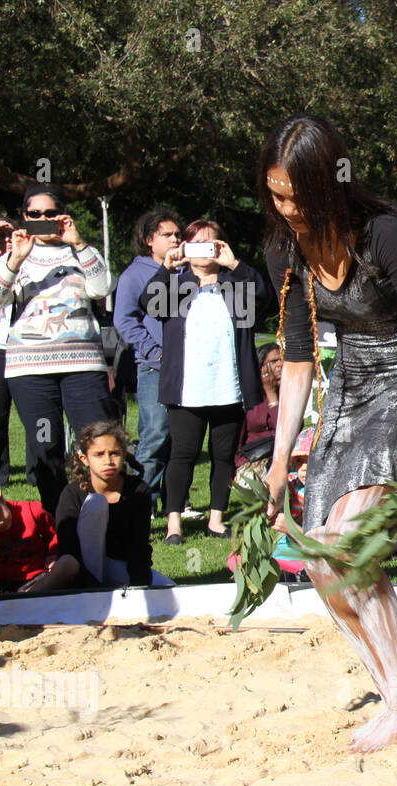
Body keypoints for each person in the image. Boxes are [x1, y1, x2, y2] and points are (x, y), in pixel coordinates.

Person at [259, 114, 397, 752]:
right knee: (321, 558)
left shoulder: (386, 235)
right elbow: (295, 356)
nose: (282, 208)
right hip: (349, 391)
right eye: (274, 193)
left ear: (325, 187)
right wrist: (279, 457)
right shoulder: (285, 248)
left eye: (293, 196)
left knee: (346, 543)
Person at [139, 219, 270, 545]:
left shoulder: (234, 284)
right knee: (182, 454)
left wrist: (236, 265)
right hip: (187, 388)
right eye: (194, 243)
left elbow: (265, 300)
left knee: (223, 455)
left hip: (227, 384)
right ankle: (173, 524)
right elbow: (149, 304)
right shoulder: (179, 285)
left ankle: (216, 519)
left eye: (209, 243)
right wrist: (168, 269)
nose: (201, 251)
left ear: (221, 247)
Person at [0, 185, 116, 512]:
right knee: (46, 449)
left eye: (50, 213)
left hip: (83, 366)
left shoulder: (79, 250)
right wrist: (15, 259)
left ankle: (104, 518)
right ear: (24, 217)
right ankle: (61, 524)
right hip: (30, 371)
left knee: (98, 444)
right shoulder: (13, 257)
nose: (43, 219)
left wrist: (78, 242)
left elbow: (103, 287)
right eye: (35, 214)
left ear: (62, 215)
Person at [114, 206, 184, 513]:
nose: (174, 240)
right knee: (154, 435)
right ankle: (142, 503)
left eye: (178, 234)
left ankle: (175, 503)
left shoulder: (188, 270)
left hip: (188, 367)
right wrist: (153, 351)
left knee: (181, 439)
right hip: (154, 368)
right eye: (166, 234)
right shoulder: (134, 274)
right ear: (148, 240)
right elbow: (125, 320)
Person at [55, 422, 174, 588]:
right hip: (80, 572)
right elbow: (68, 550)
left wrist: (139, 586)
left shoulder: (139, 491)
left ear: (124, 455)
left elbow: (139, 546)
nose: (108, 461)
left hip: (121, 567)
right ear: (85, 459)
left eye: (114, 453)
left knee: (169, 589)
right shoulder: (72, 494)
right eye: (99, 454)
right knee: (96, 503)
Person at [0, 489, 68, 593]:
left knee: (68, 565)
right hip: (2, 582)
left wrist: (53, 552)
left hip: (36, 577)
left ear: (1, 497)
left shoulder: (31, 510)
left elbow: (55, 533)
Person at [237, 343, 282, 467]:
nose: (281, 365)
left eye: (283, 360)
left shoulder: (288, 395)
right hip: (251, 461)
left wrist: (271, 394)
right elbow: (236, 443)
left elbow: (284, 429)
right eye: (274, 361)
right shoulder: (248, 397)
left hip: (282, 460)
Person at [0, 218, 16, 487]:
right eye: (2, 236)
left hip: (29, 346)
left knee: (35, 414)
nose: (8, 240)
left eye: (12, 234)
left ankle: (39, 470)